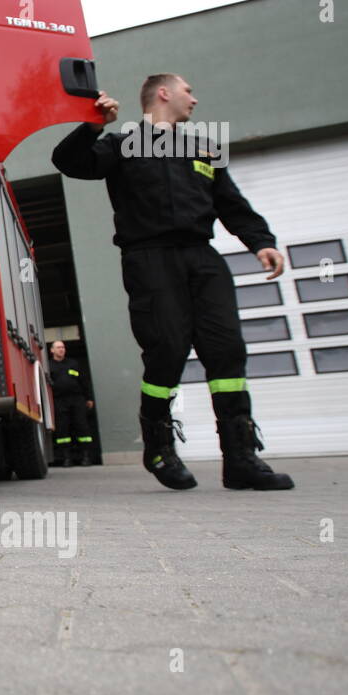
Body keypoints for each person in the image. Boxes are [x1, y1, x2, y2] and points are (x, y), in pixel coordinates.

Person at [51, 74, 293, 491]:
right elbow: (69, 162)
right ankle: (159, 447)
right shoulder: (125, 143)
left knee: (227, 350)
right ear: (163, 93)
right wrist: (93, 126)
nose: (194, 100)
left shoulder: (204, 147)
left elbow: (231, 204)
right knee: (166, 350)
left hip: (203, 258)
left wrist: (261, 241)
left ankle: (241, 459)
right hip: (150, 258)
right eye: (188, 91)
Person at [48, 340, 95, 466]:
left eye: (63, 347)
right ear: (52, 350)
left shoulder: (73, 364)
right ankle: (66, 458)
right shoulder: (48, 366)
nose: (61, 349)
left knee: (82, 426)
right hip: (59, 401)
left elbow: (83, 381)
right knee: (62, 429)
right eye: (58, 347)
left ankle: (86, 457)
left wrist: (89, 398)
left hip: (77, 400)